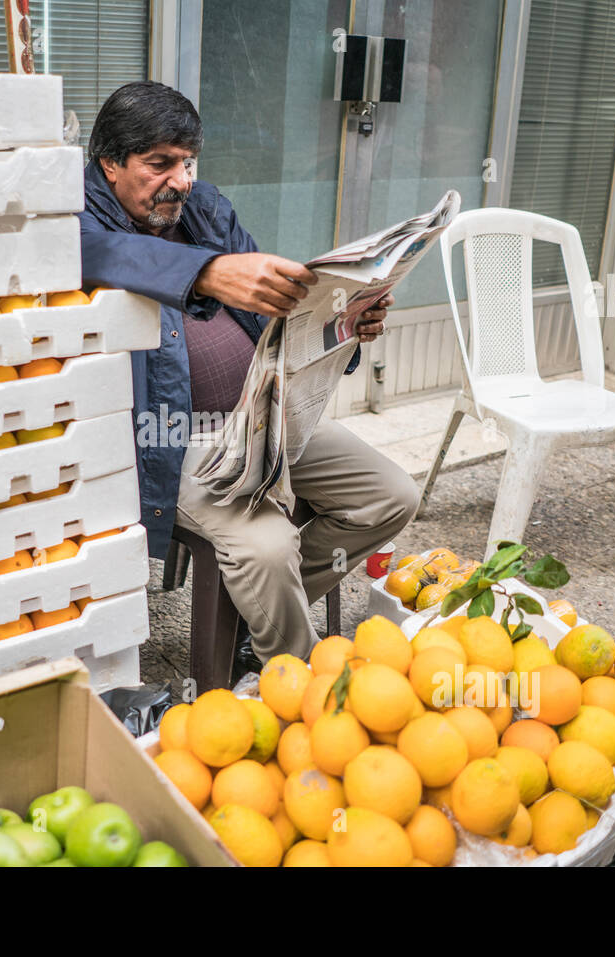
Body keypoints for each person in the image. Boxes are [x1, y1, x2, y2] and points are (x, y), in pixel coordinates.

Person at [79, 81, 419, 675]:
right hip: (168, 439)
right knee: (266, 546)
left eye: (187, 162)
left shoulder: (205, 208)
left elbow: (275, 315)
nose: (181, 181)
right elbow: (103, 257)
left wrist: (343, 321)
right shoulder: (74, 222)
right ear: (110, 164)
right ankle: (295, 685)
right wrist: (209, 272)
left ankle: (251, 618)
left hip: (263, 414)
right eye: (160, 164)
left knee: (390, 496)